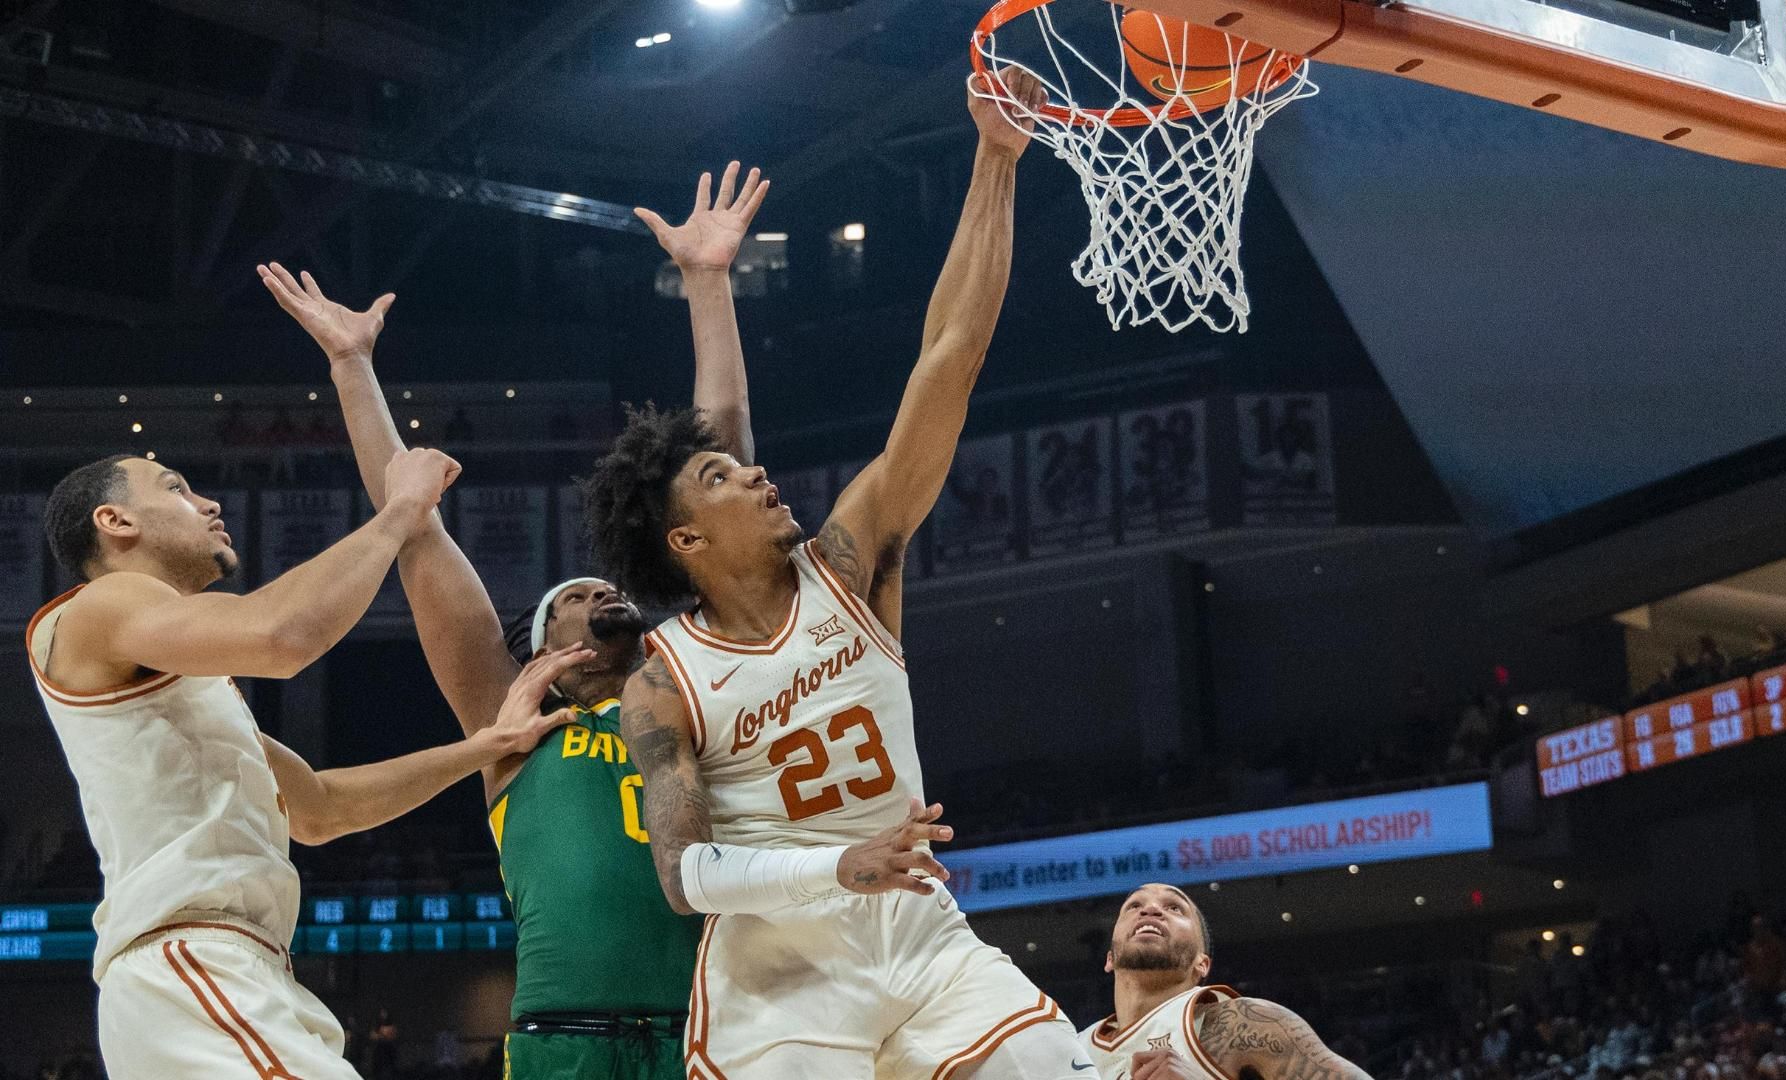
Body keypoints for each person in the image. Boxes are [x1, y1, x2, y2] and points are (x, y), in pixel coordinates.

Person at [583, 72, 1085, 1080]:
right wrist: (837, 865)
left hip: (918, 933)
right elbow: (685, 875)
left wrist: (995, 158)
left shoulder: (852, 565)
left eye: (739, 464)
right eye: (722, 477)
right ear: (685, 541)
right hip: (781, 975)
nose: (757, 473)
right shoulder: (663, 679)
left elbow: (951, 354)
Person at [258, 161, 770, 1080]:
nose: (598, 592)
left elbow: (720, 476)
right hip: (561, 1040)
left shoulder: (688, 683)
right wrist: (353, 368)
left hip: (712, 1033)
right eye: (573, 597)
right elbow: (416, 535)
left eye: (604, 587)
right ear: (541, 646)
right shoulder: (511, 723)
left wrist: (706, 284)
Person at [28, 448, 589, 1078]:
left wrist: (489, 744)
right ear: (116, 521)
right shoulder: (103, 602)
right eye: (176, 488)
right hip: (191, 962)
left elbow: (321, 809)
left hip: (217, 971)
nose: (209, 504)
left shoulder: (182, 686)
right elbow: (282, 635)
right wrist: (403, 508)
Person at [1078, 884, 1368, 1080]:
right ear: (1110, 958)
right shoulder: (1073, 1048)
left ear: (1202, 963)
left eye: (1175, 908)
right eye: (1133, 906)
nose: (1150, 909)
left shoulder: (1243, 1022)